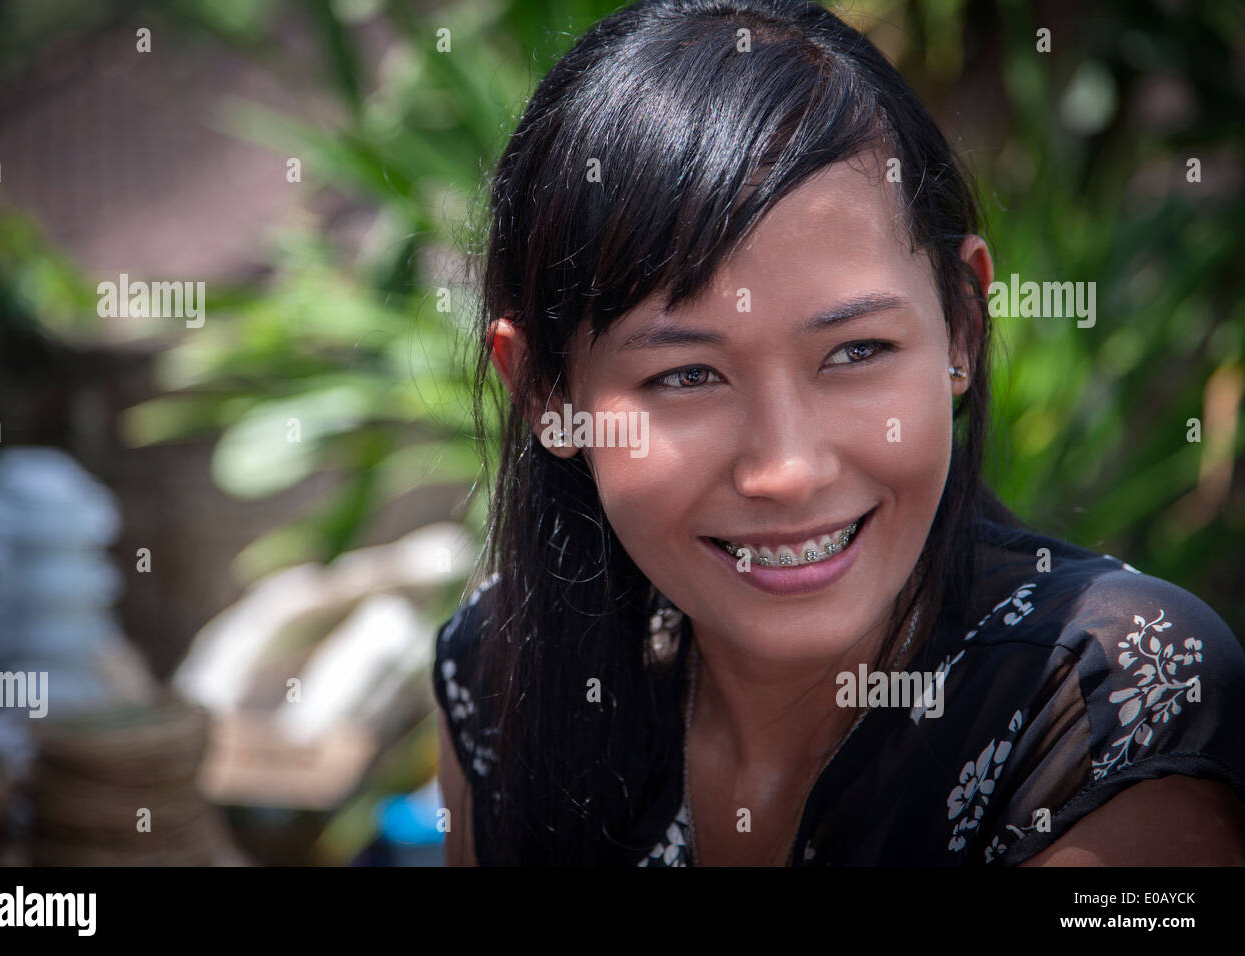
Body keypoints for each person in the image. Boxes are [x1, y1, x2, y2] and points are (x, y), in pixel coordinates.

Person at [431, 0, 1245, 866]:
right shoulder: (505, 676)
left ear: (961, 328)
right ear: (545, 393)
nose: (786, 469)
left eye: (857, 350)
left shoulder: (1108, 705)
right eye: (685, 376)